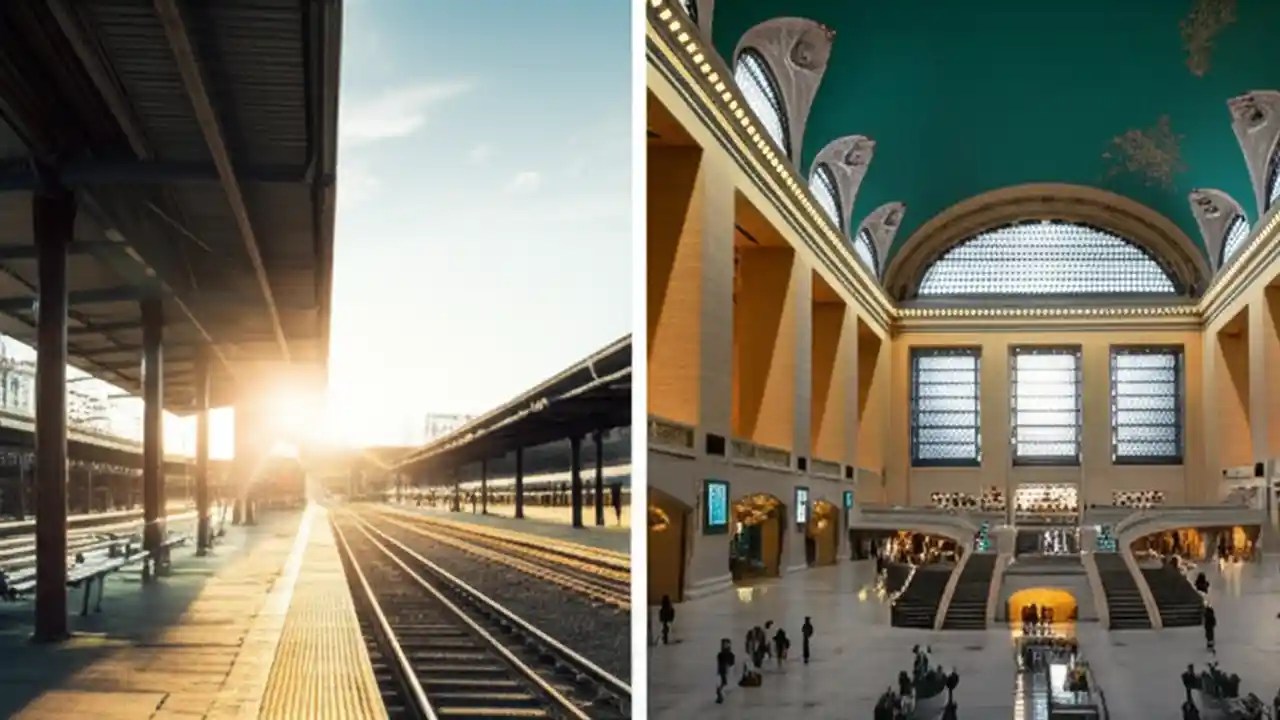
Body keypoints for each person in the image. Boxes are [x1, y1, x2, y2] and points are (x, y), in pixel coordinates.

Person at [716, 638, 735, 704]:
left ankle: (720, 693)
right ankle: (720, 693)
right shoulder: (721, 655)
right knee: (723, 683)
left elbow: (731, 664)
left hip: (725, 671)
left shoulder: (729, 655)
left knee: (723, 683)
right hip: (723, 671)